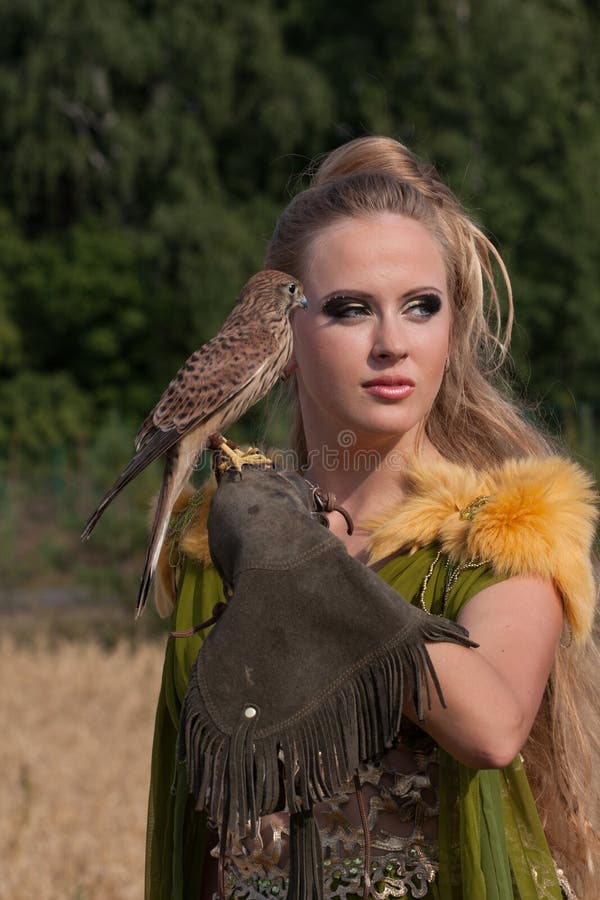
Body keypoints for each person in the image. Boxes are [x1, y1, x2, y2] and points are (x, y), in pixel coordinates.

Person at [144, 137, 599, 900]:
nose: (392, 343)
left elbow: (491, 728)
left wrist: (314, 570)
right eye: (351, 309)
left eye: (421, 306)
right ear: (282, 339)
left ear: (450, 331)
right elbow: (204, 823)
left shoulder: (500, 529)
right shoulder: (213, 536)